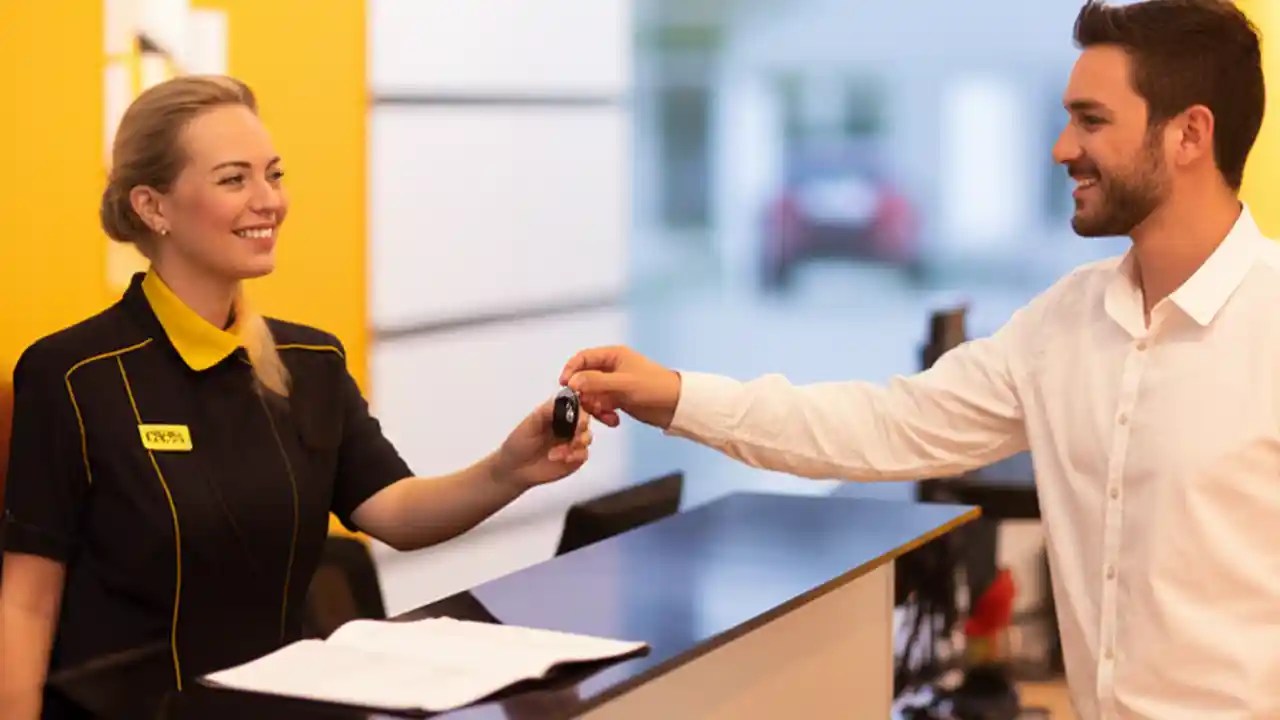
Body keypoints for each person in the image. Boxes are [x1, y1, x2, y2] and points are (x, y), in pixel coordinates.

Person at [561, 1, 1276, 719]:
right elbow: (883, 426)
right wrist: (675, 395)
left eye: (1092, 121)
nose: (1062, 148)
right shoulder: (1066, 323)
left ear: (1189, 134)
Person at [0, 75, 592, 719]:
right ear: (153, 206)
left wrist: (508, 471)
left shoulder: (310, 362)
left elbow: (394, 511)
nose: (269, 202)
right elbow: (26, 604)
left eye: (274, 175)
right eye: (234, 179)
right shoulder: (73, 375)